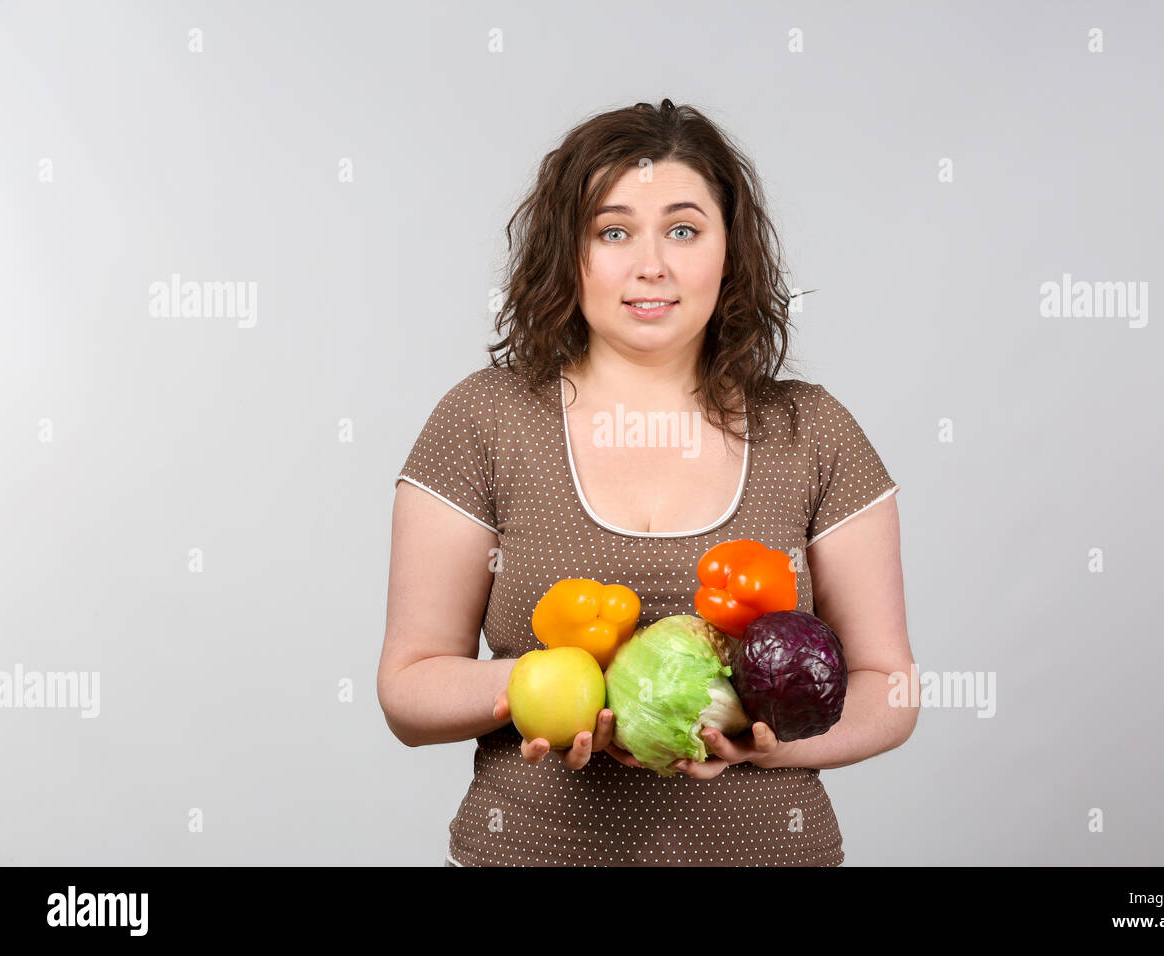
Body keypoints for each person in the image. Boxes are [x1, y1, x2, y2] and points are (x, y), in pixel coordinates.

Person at [378, 98, 918, 866]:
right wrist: (572, 689)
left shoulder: (813, 430)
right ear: (571, 253)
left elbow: (888, 687)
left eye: (684, 229)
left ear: (729, 251)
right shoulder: (484, 419)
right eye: (614, 230)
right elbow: (409, 687)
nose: (651, 265)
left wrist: (755, 748)